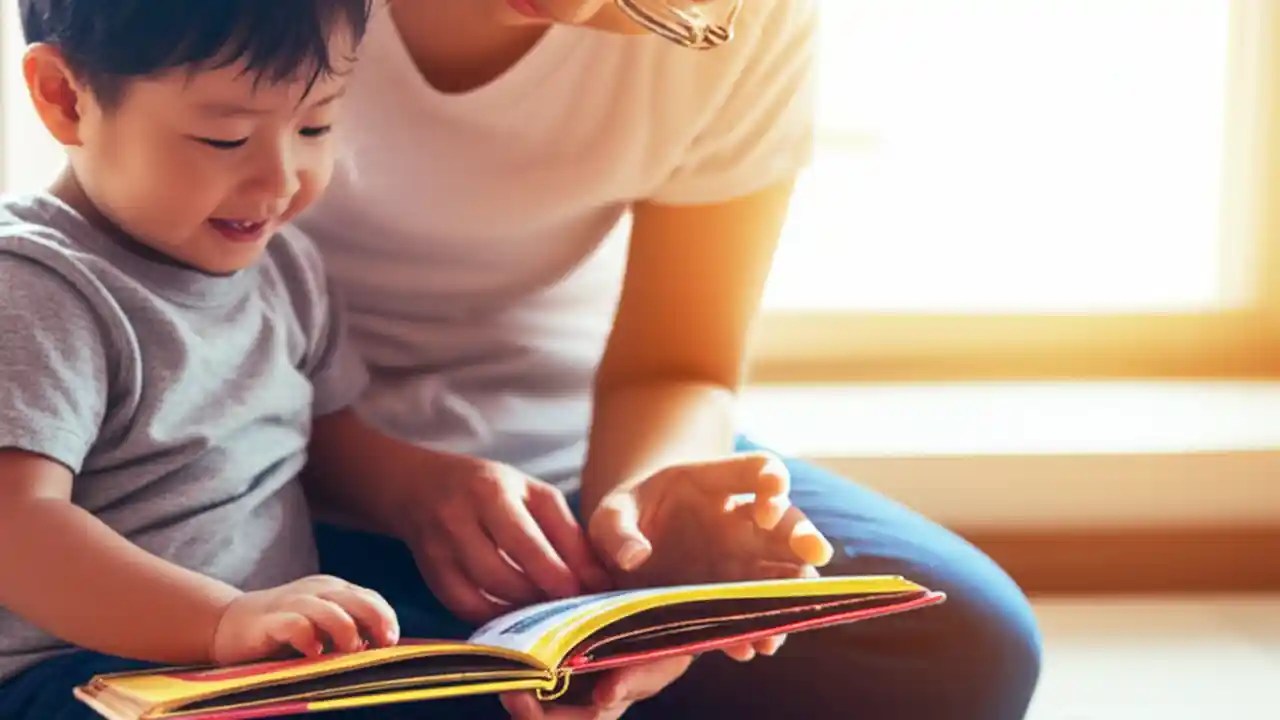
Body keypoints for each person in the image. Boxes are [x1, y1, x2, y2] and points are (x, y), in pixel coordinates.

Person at [295, 1, 1044, 718]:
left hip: (576, 451)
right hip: (261, 454)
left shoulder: (744, 18)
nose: (576, 9)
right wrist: (394, 485)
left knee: (960, 644)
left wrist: (645, 541)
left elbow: (678, 365)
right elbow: (193, 356)